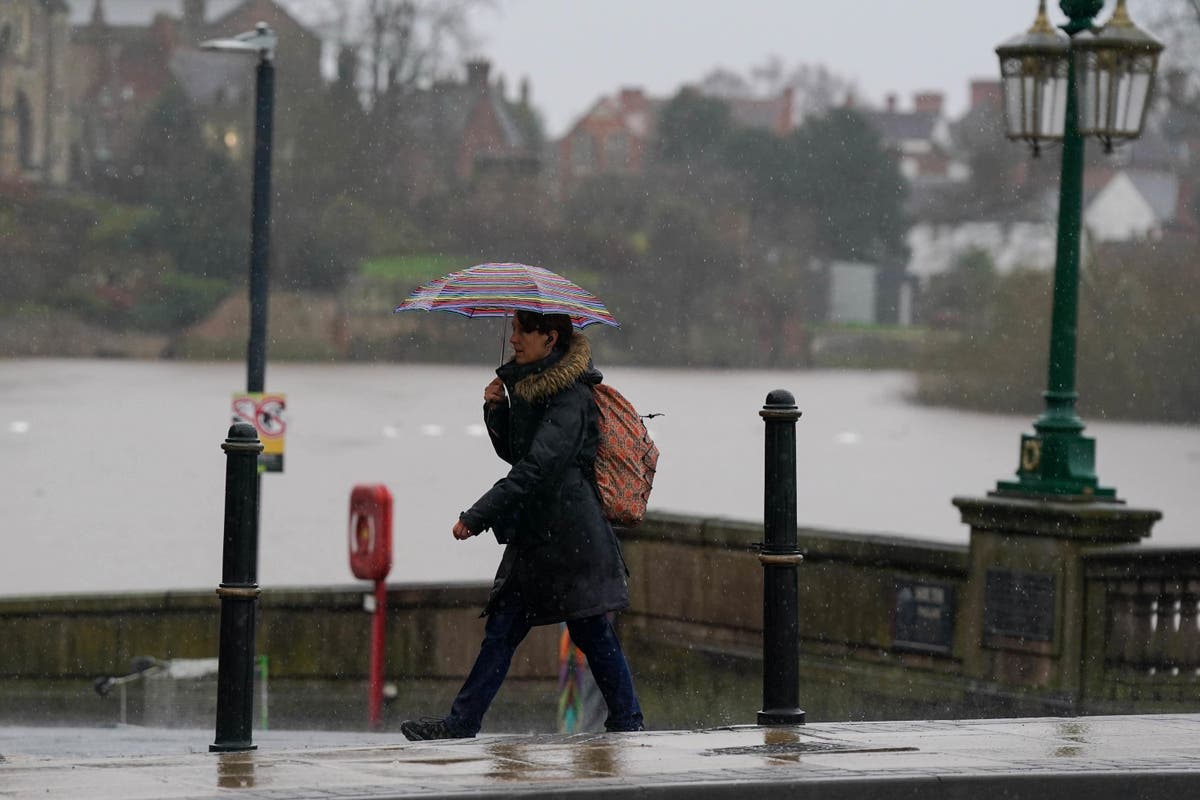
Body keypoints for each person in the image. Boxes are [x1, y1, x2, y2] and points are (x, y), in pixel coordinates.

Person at [400, 310, 644, 740]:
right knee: (502, 631)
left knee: (591, 632)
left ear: (549, 339)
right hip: (538, 537)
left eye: (521, 331)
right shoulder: (533, 389)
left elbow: (536, 468)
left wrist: (477, 515)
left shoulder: (572, 397)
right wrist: (495, 410)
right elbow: (517, 452)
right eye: (513, 330)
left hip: (572, 539)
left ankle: (628, 722)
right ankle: (462, 723)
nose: (513, 339)